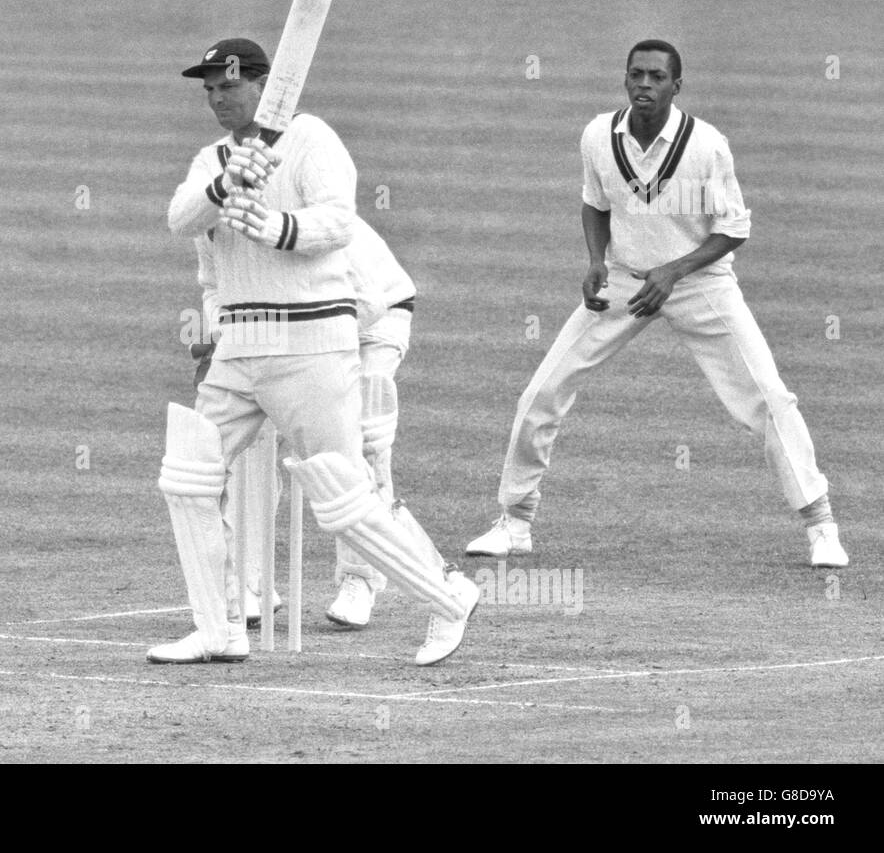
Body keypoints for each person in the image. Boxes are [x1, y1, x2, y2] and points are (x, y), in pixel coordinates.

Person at [151, 37, 478, 666]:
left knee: (341, 494)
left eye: (230, 84)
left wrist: (274, 227)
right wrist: (226, 184)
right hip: (241, 345)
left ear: (266, 86)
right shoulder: (212, 158)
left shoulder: (311, 139)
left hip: (311, 340)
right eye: (211, 88)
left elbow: (338, 222)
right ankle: (217, 627)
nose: (219, 97)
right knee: (187, 475)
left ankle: (448, 598)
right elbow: (181, 218)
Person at [467, 39, 848, 569]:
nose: (644, 84)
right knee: (542, 392)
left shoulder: (707, 145)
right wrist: (596, 260)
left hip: (700, 283)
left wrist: (674, 270)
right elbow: (594, 203)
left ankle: (821, 526)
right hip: (624, 280)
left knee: (769, 399)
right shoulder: (599, 135)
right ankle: (515, 521)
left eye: (656, 77)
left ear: (676, 86)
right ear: (625, 79)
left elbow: (734, 227)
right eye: (636, 75)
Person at [193, 217, 418, 629]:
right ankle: (251, 581)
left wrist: (301, 359)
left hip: (373, 316)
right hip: (284, 328)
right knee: (252, 441)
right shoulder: (207, 221)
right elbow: (214, 288)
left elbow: (368, 298)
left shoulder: (304, 224)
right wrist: (225, 337)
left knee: (360, 443)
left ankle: (360, 580)